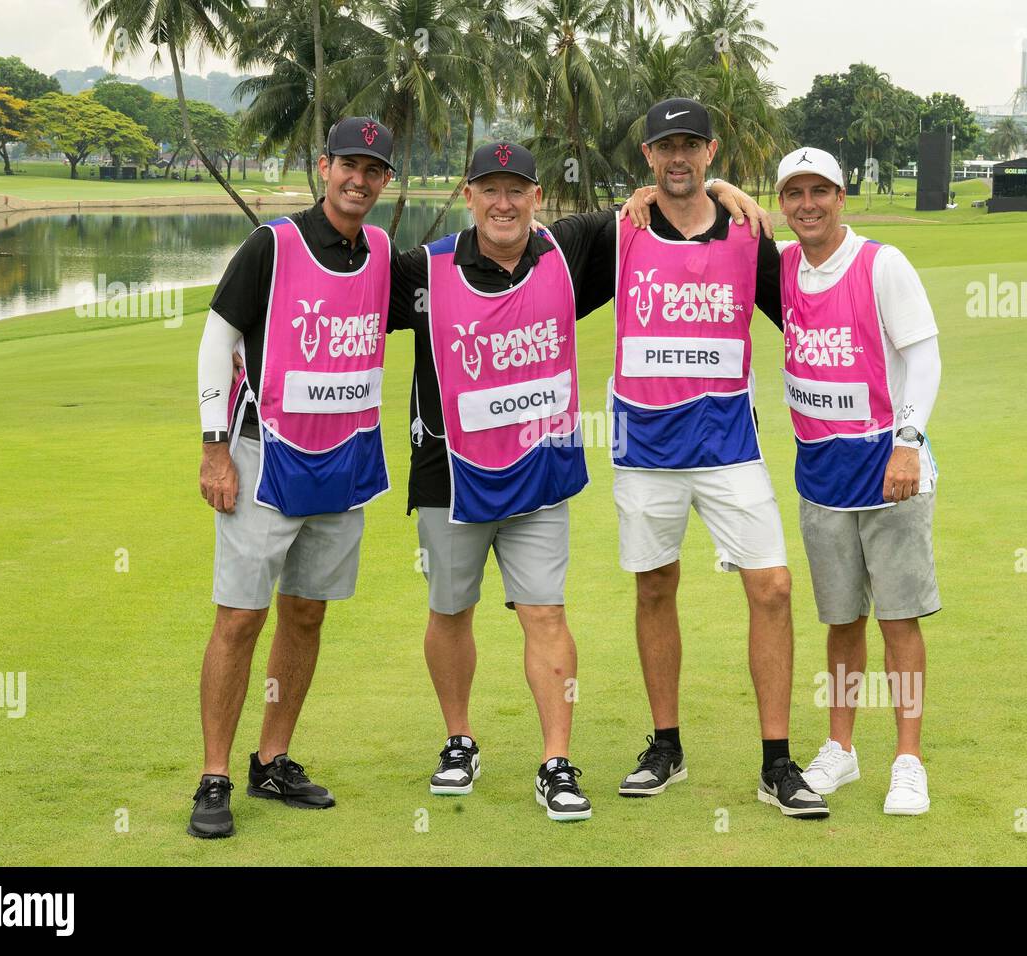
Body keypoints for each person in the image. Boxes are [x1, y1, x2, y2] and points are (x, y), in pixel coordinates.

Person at [387, 141, 769, 821]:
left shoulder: (571, 249)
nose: (503, 204)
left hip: (541, 471)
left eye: (517, 191)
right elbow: (347, 291)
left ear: (537, 197)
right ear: (469, 195)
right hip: (449, 472)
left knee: (546, 613)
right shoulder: (426, 268)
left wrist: (729, 188)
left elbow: (666, 194)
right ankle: (458, 740)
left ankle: (555, 762)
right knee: (449, 610)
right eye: (489, 190)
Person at [611, 99, 828, 818]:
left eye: (691, 146)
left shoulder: (747, 230)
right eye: (664, 146)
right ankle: (665, 747)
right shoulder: (619, 231)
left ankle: (776, 763)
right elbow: (517, 264)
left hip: (730, 443)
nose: (677, 158)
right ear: (648, 156)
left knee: (772, 587)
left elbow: (806, 309)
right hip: (644, 448)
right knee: (654, 587)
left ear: (710, 151)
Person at [187, 117, 396, 838]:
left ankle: (272, 759)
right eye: (349, 166)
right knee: (241, 616)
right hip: (260, 456)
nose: (359, 181)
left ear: (385, 181)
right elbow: (218, 338)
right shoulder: (272, 245)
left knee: (306, 613)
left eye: (374, 170)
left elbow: (482, 257)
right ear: (324, 165)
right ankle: (214, 776)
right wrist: (214, 449)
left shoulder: (381, 251)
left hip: (343, 463)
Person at [772, 147, 942, 815]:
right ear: (782, 203)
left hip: (890, 472)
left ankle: (908, 760)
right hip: (821, 476)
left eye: (820, 191)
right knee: (842, 621)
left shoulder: (882, 263)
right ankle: (841, 750)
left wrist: (909, 443)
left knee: (899, 620)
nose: (807, 204)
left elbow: (924, 358)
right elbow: (728, 216)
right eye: (794, 193)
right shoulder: (784, 266)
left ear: (842, 197)